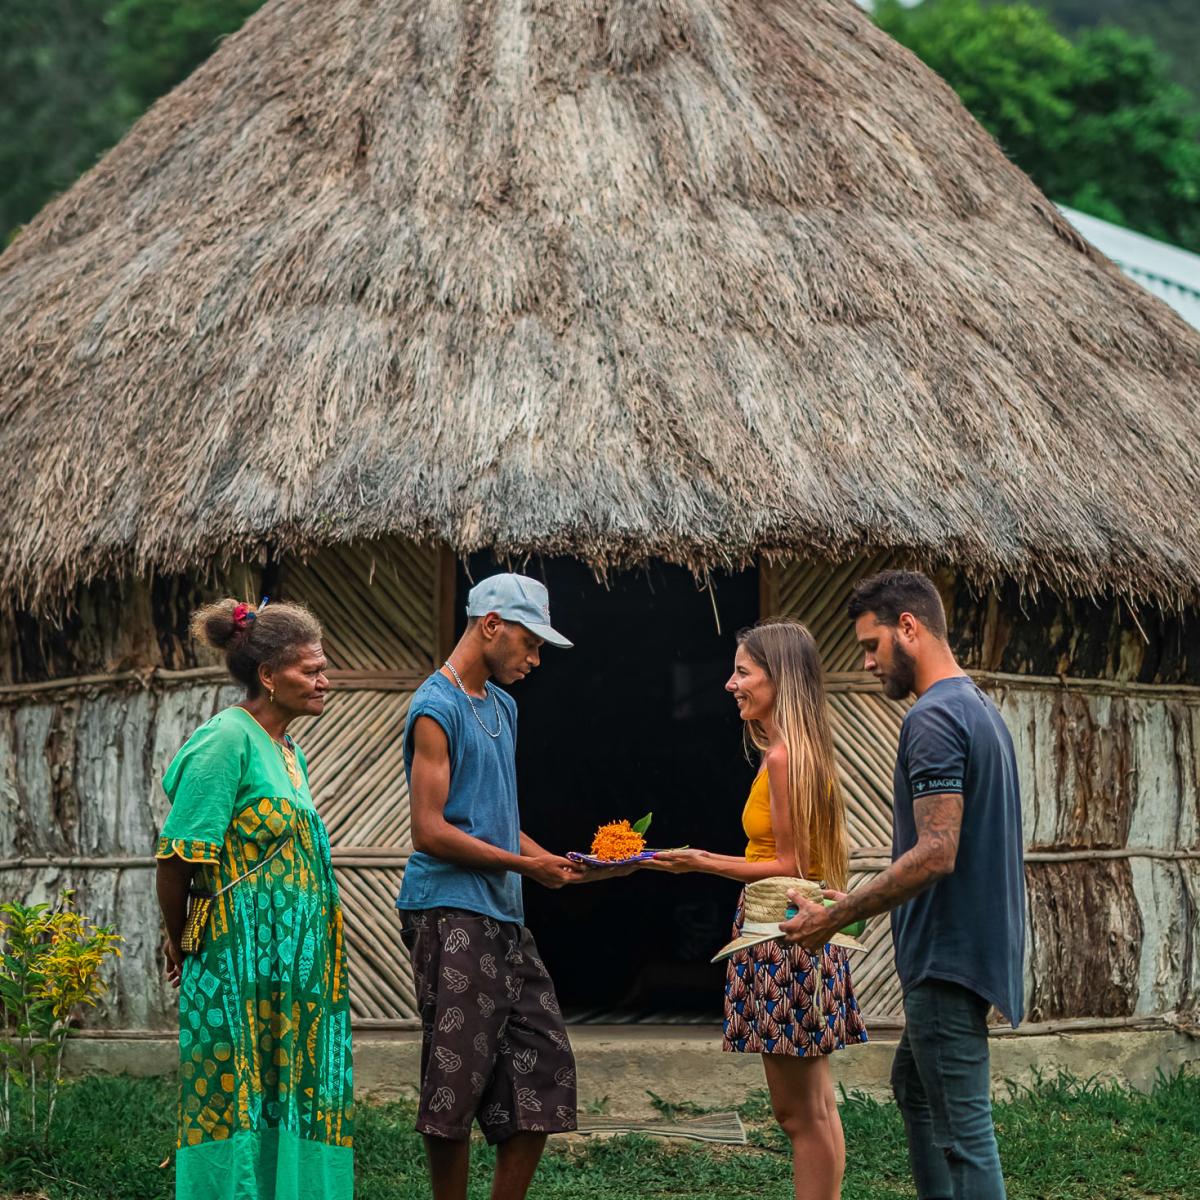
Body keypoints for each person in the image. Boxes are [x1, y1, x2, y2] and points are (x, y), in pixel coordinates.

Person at [781, 570, 1025, 1200]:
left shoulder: (935, 718)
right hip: (966, 947)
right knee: (915, 1092)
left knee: (965, 1135)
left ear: (909, 628)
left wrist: (834, 918)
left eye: (871, 645)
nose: (866, 663)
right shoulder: (978, 708)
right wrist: (849, 901)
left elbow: (936, 853)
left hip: (947, 959)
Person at [397, 572, 624, 1200]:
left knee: (544, 1061)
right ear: (490, 625)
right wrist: (527, 868)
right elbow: (429, 830)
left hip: (500, 910)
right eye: (529, 643)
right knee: (457, 1076)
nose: (534, 659)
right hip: (446, 909)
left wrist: (553, 860)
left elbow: (497, 817)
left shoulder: (503, 708)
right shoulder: (434, 708)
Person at [649, 618, 867, 1200]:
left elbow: (787, 864)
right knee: (816, 1108)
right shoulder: (803, 750)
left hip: (782, 932)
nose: (730, 684)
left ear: (780, 680)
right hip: (799, 929)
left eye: (743, 672)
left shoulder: (783, 758)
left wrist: (699, 860)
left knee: (799, 1115)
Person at [154, 599, 353, 1200]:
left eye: (323, 668)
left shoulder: (289, 751)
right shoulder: (226, 741)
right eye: (311, 669)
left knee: (287, 1087)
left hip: (290, 963)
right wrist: (180, 940)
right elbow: (178, 856)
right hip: (237, 956)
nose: (325, 681)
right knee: (233, 1089)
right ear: (268, 675)